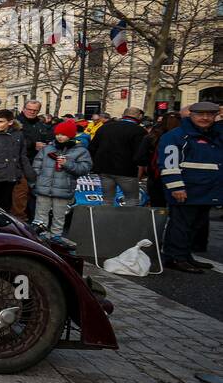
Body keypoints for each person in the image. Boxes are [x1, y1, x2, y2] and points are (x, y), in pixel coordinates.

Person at [158, 101, 223, 273]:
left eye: (210, 114)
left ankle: (185, 256)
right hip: (186, 189)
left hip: (207, 189)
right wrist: (176, 187)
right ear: (191, 115)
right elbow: (169, 164)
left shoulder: (215, 134)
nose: (205, 118)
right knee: (181, 226)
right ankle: (175, 257)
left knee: (195, 226)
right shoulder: (176, 136)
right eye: (200, 114)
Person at [31, 121, 92, 241]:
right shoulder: (47, 149)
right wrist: (38, 180)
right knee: (40, 214)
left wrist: (67, 164)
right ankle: (40, 236)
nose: (59, 137)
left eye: (63, 134)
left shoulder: (81, 151)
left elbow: (84, 168)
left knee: (59, 216)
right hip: (44, 188)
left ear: (71, 135)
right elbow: (36, 165)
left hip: (63, 189)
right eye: (58, 134)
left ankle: (56, 236)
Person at [87, 107, 146, 206]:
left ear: (123, 115)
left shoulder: (105, 127)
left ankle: (105, 220)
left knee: (107, 200)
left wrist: (95, 165)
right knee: (131, 200)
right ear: (139, 116)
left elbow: (92, 148)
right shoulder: (139, 131)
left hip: (104, 169)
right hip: (126, 171)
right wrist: (141, 168)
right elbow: (140, 154)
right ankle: (128, 221)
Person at [0, 109, 35, 211]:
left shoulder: (18, 135)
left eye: (0, 122)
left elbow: (22, 157)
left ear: (10, 122)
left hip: (12, 177)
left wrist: (30, 176)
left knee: (6, 207)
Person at [137, 112, 180, 208]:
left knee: (157, 206)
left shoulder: (153, 136)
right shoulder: (183, 136)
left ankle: (160, 222)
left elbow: (140, 157)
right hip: (179, 176)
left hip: (156, 175)